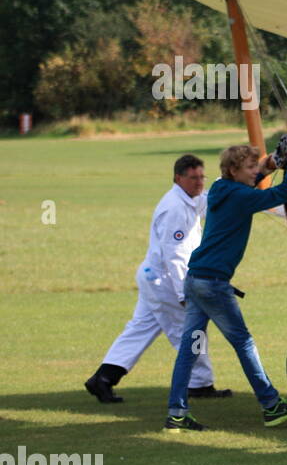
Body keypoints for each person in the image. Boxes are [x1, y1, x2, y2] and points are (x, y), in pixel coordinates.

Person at [164, 136, 287, 431]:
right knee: (243, 343)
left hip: (194, 281)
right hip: (213, 285)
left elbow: (254, 178)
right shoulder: (242, 197)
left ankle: (177, 414)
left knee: (189, 349)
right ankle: (271, 404)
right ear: (234, 170)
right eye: (249, 168)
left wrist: (271, 163)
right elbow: (286, 191)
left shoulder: (222, 187)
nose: (254, 172)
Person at [85, 154, 230, 404]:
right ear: (178, 178)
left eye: (201, 177)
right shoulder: (174, 208)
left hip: (154, 277)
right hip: (165, 282)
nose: (199, 182)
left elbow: (209, 202)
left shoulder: (190, 198)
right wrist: (184, 293)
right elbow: (175, 256)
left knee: (139, 330)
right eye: (193, 178)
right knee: (192, 332)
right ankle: (200, 384)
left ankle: (103, 378)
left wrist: (238, 179)